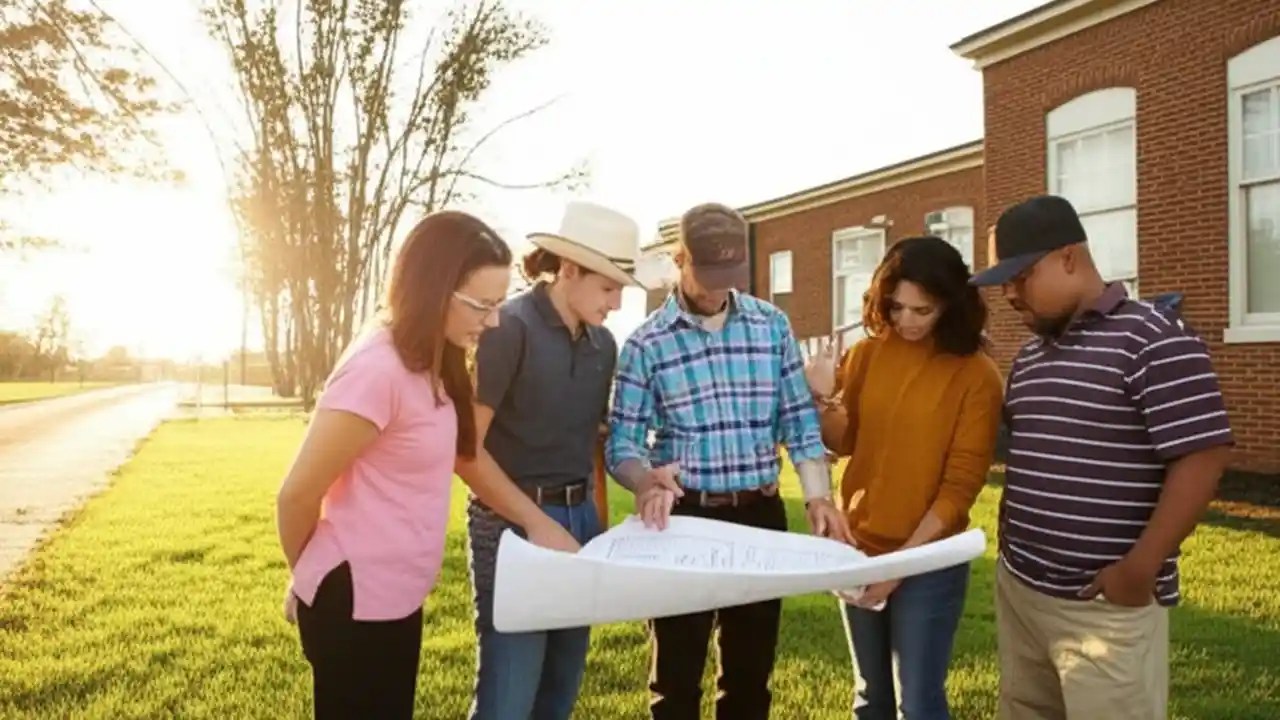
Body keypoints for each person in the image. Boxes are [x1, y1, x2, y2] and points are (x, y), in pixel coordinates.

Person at [276, 210, 579, 719]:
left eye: (499, 303)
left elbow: (467, 456)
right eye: (482, 305)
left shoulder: (437, 360)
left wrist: (537, 522)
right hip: (352, 600)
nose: (495, 319)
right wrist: (307, 580)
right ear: (434, 290)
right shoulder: (376, 369)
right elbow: (297, 495)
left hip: (397, 599)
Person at [970, 195, 1234, 720]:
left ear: (1068, 257)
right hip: (1022, 591)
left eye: (1020, 277)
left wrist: (1141, 566)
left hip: (1104, 607)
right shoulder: (1030, 356)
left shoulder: (1153, 338)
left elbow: (1203, 456)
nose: (1009, 294)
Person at [605, 201, 850, 720]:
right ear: (680, 259)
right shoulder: (645, 344)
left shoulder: (771, 326)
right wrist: (645, 480)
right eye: (706, 273)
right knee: (674, 681)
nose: (718, 288)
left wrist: (818, 496)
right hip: (682, 520)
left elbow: (797, 420)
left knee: (749, 680)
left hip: (758, 514)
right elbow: (622, 443)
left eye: (730, 275)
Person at [458, 201, 646, 720]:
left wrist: (602, 521)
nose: (616, 302)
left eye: (620, 290)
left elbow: (590, 440)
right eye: (607, 287)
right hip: (513, 527)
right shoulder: (508, 327)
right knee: (508, 698)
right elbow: (465, 452)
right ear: (568, 269)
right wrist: (536, 523)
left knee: (559, 695)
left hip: (580, 521)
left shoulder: (604, 345)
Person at [807, 235, 1004, 719]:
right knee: (870, 698)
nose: (906, 321)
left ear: (950, 305)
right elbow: (843, 442)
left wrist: (900, 565)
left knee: (917, 703)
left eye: (923, 310)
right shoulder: (869, 355)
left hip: (928, 560)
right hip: (858, 550)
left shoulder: (977, 376)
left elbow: (959, 489)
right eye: (896, 307)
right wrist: (822, 395)